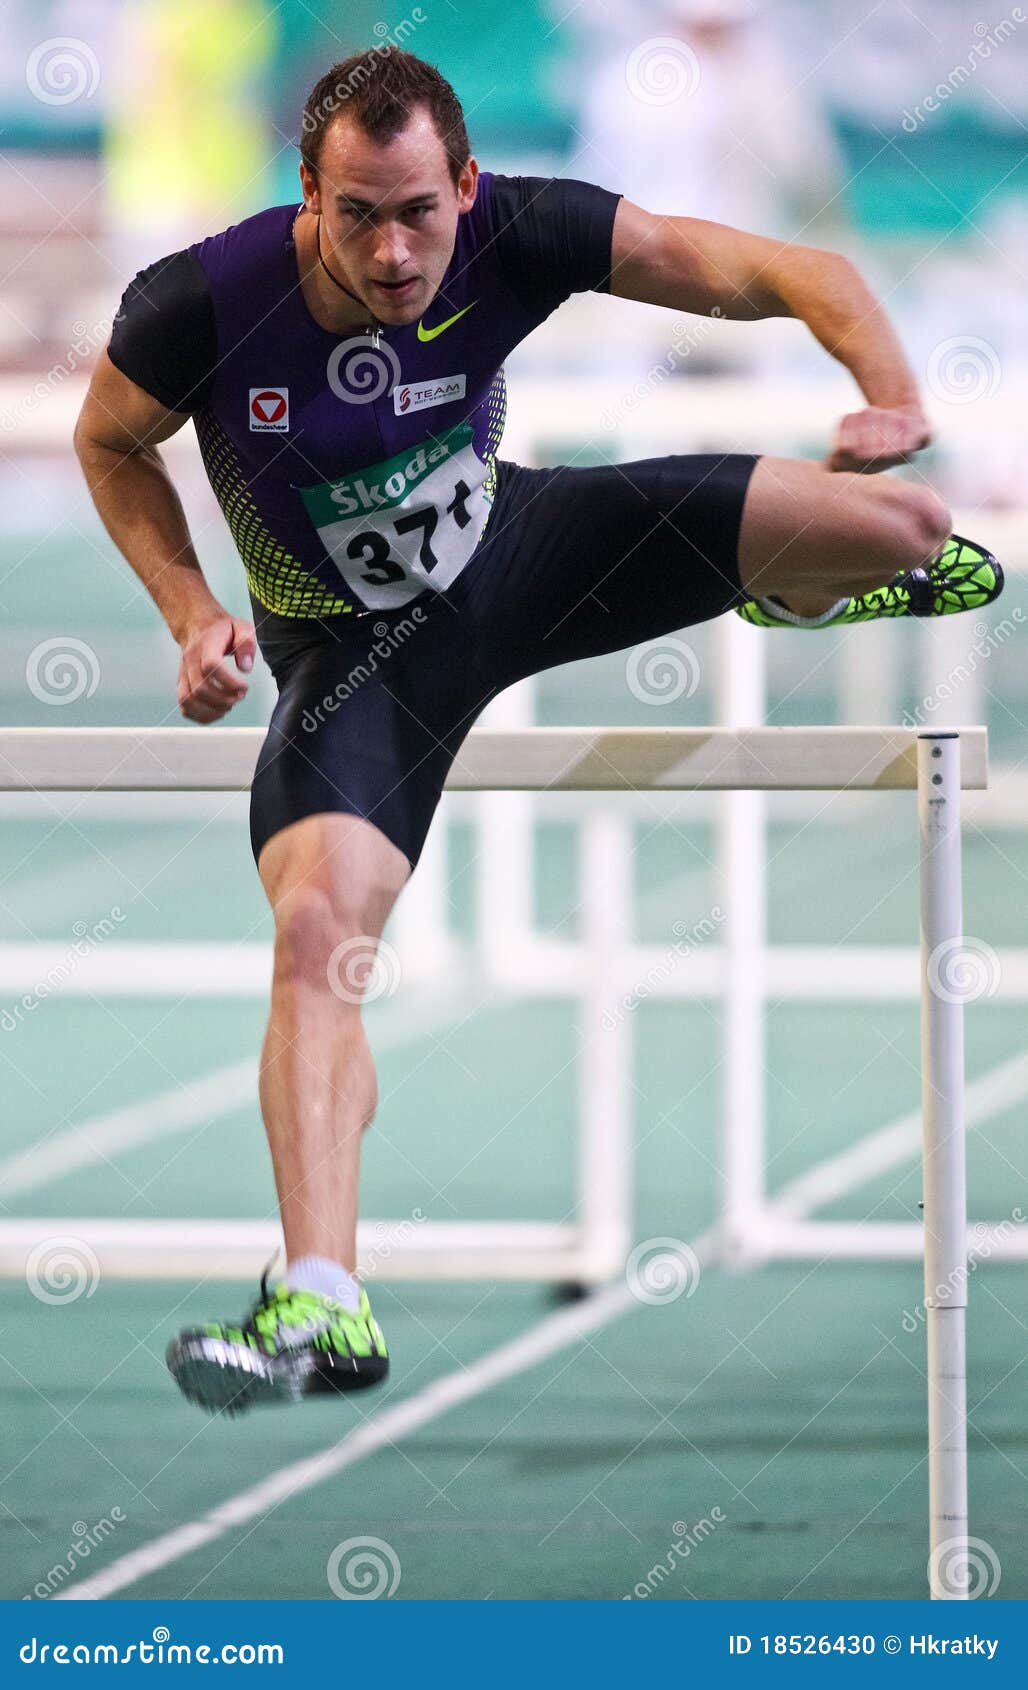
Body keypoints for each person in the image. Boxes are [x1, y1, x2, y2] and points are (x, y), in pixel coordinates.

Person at [74, 48, 1001, 1415]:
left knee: (912, 531)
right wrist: (187, 608)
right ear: (306, 196)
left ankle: (786, 589)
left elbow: (793, 274)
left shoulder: (529, 225)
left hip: (520, 550)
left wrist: (887, 393)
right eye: (356, 216)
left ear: (466, 184)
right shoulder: (199, 302)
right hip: (358, 652)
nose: (394, 252)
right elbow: (108, 442)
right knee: (321, 933)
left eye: (420, 213)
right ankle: (321, 1293)